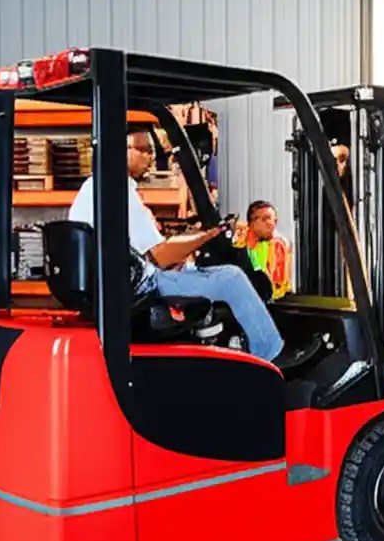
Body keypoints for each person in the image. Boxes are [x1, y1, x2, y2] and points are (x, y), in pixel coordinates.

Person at [68, 126, 291, 364]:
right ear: (122, 151)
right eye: (144, 150)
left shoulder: (94, 187)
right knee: (231, 278)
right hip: (146, 287)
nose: (150, 156)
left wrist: (189, 240)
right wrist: (204, 237)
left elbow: (148, 251)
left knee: (200, 271)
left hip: (124, 283)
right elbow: (160, 257)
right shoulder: (118, 192)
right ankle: (270, 355)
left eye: (151, 150)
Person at [234, 200, 294, 300]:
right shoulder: (238, 243)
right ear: (251, 223)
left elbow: (277, 285)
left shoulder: (278, 245)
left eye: (274, 220)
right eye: (265, 219)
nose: (270, 223)